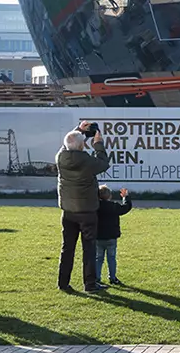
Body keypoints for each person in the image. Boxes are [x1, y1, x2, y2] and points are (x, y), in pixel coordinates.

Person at [56, 123, 111, 292]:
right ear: (82, 145)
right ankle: (90, 283)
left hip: (68, 211)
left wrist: (78, 129)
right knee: (89, 249)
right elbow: (103, 163)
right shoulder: (87, 161)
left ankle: (63, 283)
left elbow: (67, 143)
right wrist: (98, 144)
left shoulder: (60, 157)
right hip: (87, 211)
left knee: (67, 248)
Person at [94, 185, 132, 286]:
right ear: (109, 196)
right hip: (111, 236)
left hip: (98, 236)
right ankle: (113, 277)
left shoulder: (95, 207)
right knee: (111, 258)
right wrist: (125, 198)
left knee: (98, 258)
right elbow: (126, 207)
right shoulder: (113, 206)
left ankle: (96, 277)